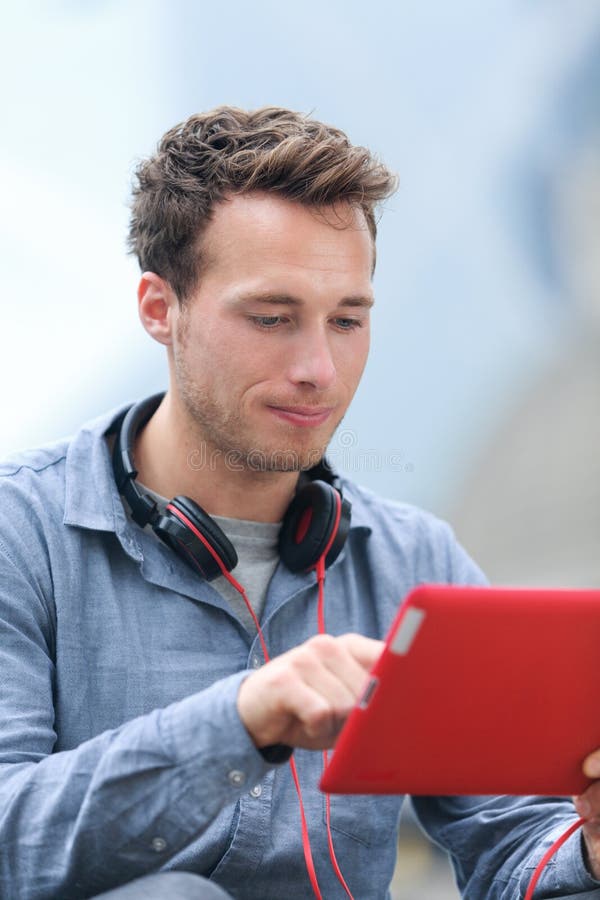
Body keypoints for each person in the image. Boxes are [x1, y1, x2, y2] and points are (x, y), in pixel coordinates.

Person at [1, 106, 599, 900]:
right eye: (272, 318)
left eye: (348, 320)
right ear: (159, 308)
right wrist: (238, 721)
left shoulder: (414, 559)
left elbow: (514, 845)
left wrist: (588, 850)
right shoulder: (22, 533)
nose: (320, 367)